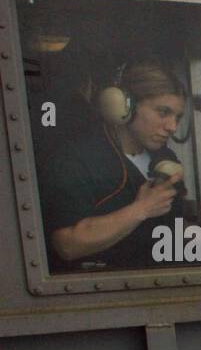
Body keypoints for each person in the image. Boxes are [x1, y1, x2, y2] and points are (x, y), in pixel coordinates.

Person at [38, 61, 187, 272]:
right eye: (163, 113)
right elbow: (67, 244)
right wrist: (141, 209)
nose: (172, 127)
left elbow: (172, 229)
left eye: (177, 117)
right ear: (124, 107)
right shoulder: (74, 160)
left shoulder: (165, 157)